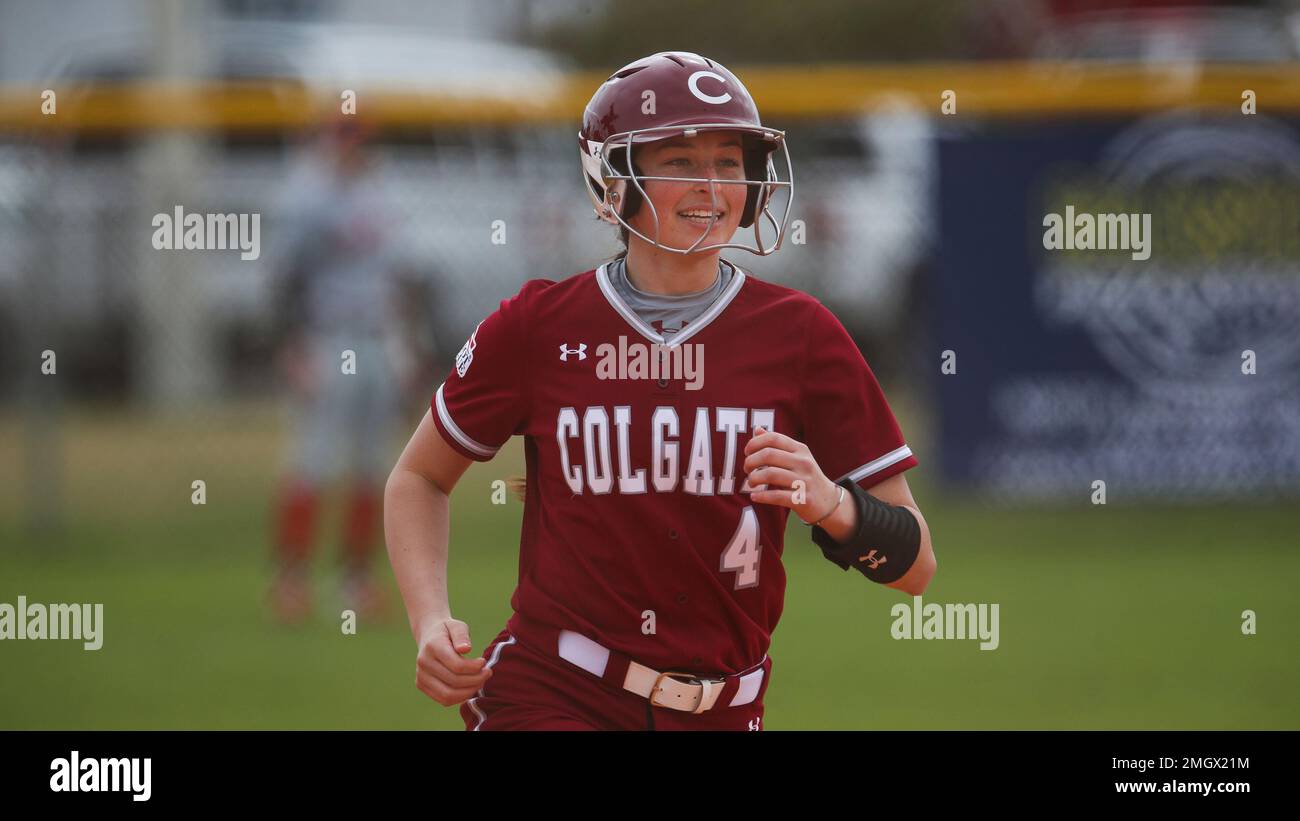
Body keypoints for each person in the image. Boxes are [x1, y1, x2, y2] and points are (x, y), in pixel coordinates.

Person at [385, 51, 936, 730]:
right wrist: (429, 617)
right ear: (613, 181)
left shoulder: (802, 334)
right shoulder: (538, 327)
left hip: (727, 708)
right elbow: (418, 477)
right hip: (558, 689)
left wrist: (831, 505)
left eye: (729, 163)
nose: (711, 185)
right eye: (679, 163)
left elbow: (916, 565)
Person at [267, 118, 417, 625]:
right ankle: (291, 580)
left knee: (375, 466)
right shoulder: (306, 196)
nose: (358, 148)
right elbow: (284, 279)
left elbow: (396, 278)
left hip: (376, 337)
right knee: (313, 461)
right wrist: (292, 346)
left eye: (364, 139)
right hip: (326, 339)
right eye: (349, 138)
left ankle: (357, 579)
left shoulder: (379, 190)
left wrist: (406, 345)